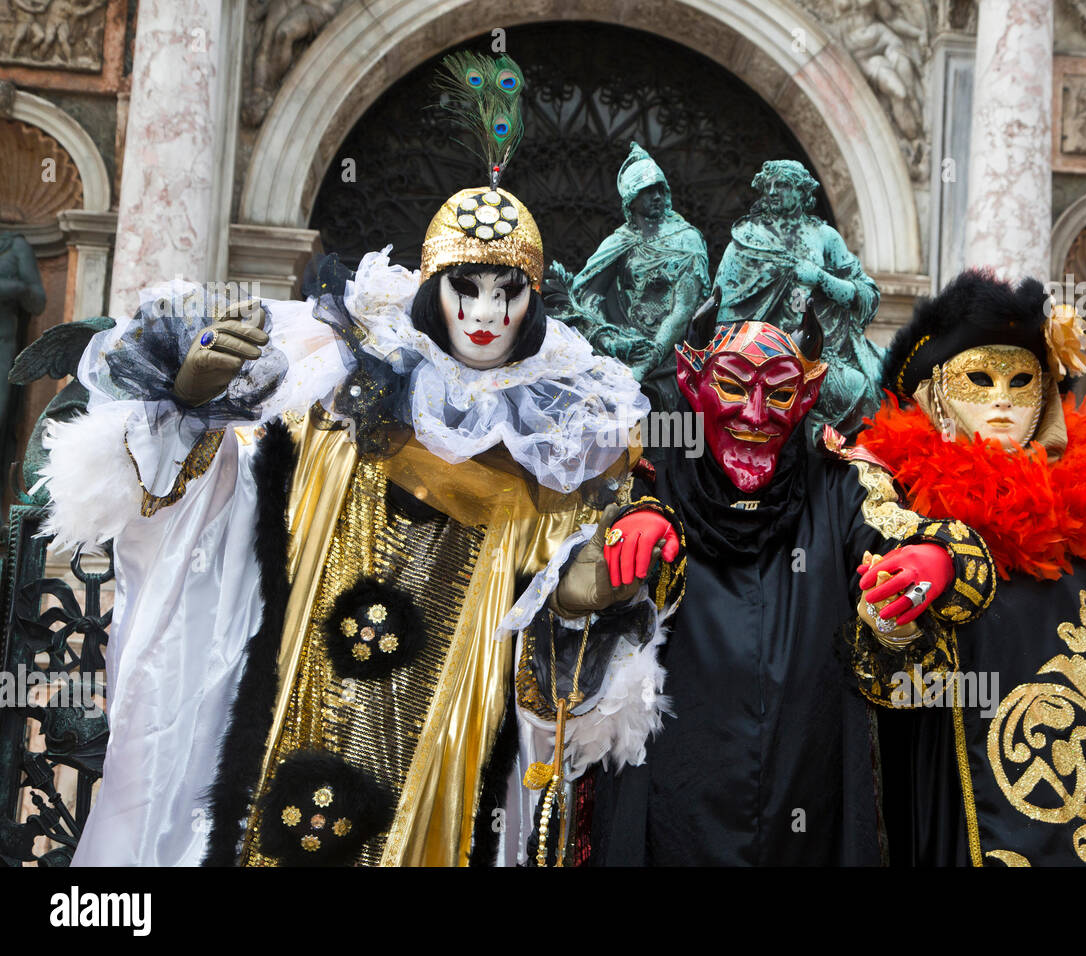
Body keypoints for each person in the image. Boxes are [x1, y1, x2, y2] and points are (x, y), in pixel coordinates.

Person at [39, 52, 679, 867]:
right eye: (466, 287)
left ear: (536, 303)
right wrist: (193, 403)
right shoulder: (340, 403)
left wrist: (576, 603)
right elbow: (220, 525)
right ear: (430, 291)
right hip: (287, 729)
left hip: (447, 779)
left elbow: (554, 689)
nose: (485, 313)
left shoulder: (553, 459)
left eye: (507, 292)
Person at [850, 269, 1086, 866]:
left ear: (1048, 396)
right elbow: (890, 690)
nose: (1003, 399)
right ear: (935, 394)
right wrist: (892, 625)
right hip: (971, 817)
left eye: (1022, 380)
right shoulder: (895, 501)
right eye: (979, 379)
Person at [587, 306, 999, 865]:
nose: (755, 415)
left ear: (807, 396)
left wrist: (936, 557)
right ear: (691, 381)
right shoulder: (648, 474)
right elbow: (566, 620)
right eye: (732, 387)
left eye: (778, 394)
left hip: (808, 783)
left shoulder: (840, 481)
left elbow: (901, 536)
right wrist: (625, 528)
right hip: (676, 790)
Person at [714, 159, 883, 436]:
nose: (772, 191)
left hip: (816, 355)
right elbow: (723, 310)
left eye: (781, 185)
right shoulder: (745, 241)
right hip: (754, 354)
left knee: (858, 388)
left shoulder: (824, 237)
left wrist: (821, 278)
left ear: (802, 192)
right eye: (767, 185)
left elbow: (866, 293)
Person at [567, 142, 710, 413]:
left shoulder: (687, 239)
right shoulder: (620, 241)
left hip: (670, 357)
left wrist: (648, 361)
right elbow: (589, 295)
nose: (656, 196)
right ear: (631, 199)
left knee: (669, 437)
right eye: (647, 190)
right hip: (623, 351)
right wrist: (604, 335)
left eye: (659, 189)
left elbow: (683, 310)